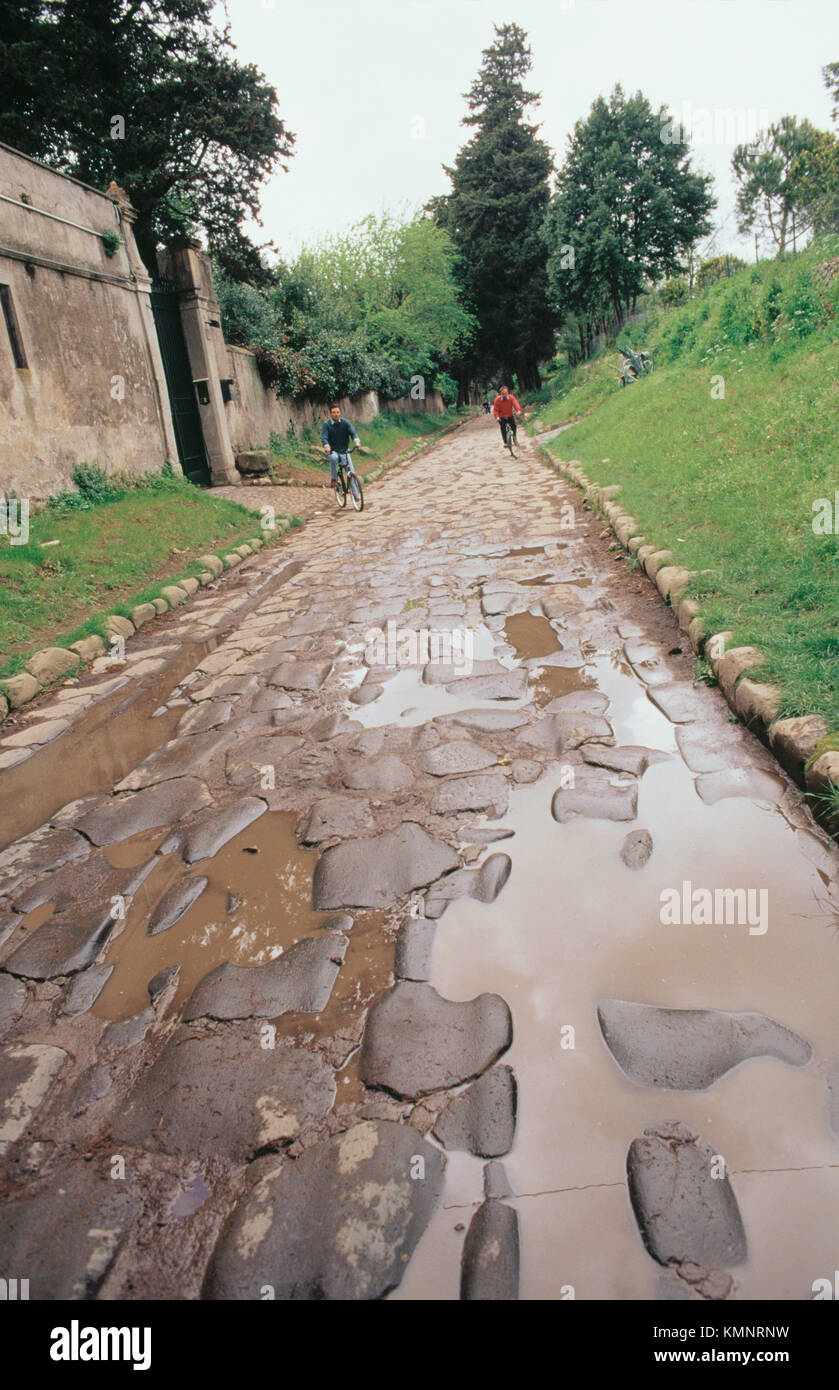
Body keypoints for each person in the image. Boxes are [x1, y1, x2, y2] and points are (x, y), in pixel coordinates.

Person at [321, 404, 361, 484]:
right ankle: (334, 478)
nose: (336, 414)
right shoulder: (326, 425)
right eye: (334, 412)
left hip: (344, 450)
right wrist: (327, 446)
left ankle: (356, 495)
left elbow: (353, 433)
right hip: (332, 451)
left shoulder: (345, 423)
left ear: (340, 413)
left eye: (338, 412)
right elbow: (324, 437)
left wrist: (356, 442)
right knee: (334, 458)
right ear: (330, 414)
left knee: (351, 472)